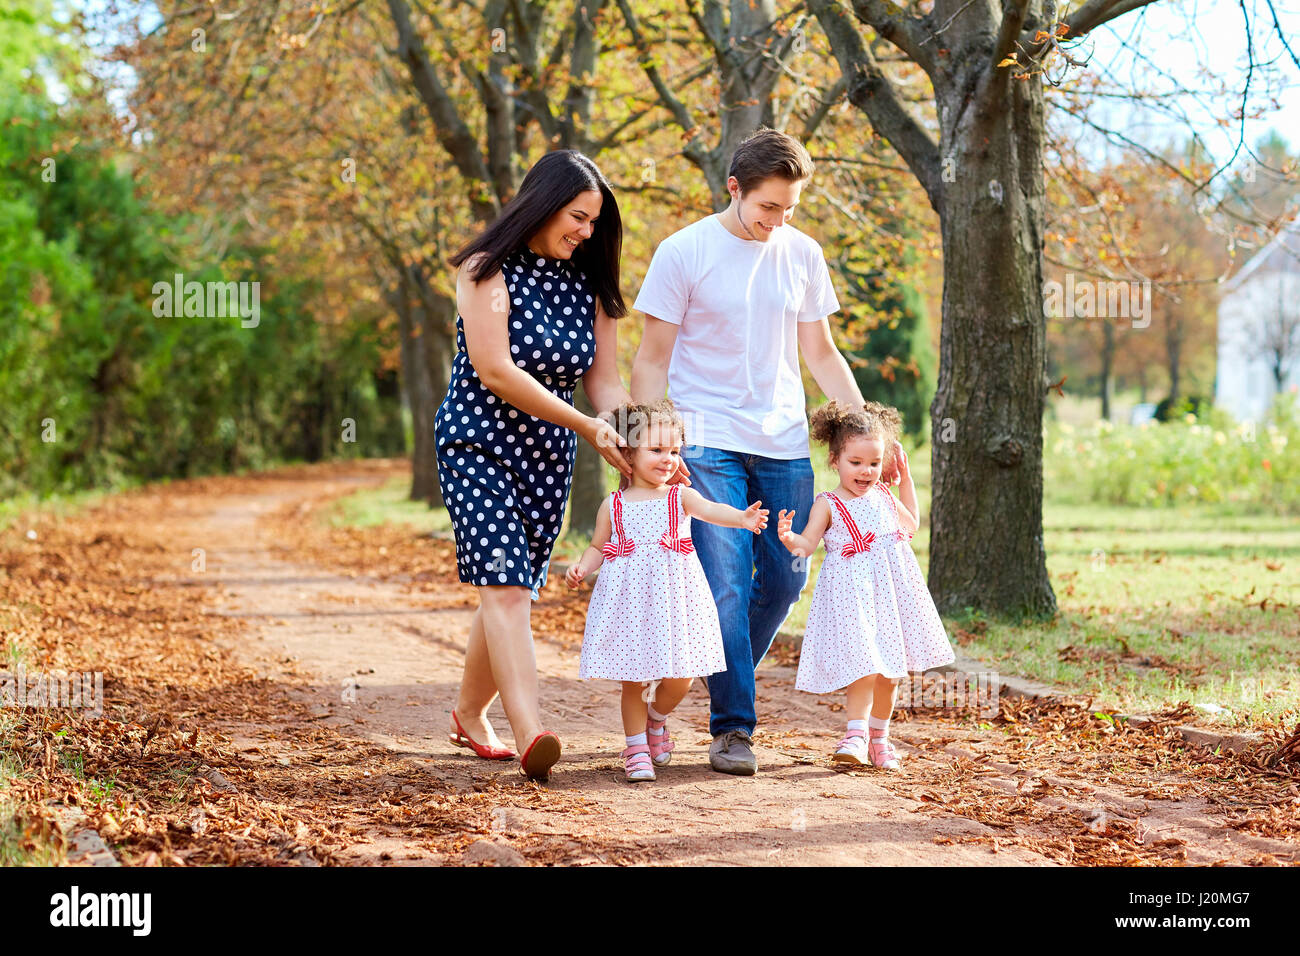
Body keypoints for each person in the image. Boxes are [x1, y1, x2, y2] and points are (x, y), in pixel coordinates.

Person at [630, 127, 878, 775]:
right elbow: (652, 358)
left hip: (782, 441)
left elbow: (820, 351)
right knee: (729, 585)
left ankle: (719, 670)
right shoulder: (683, 252)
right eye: (768, 207)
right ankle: (733, 727)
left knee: (787, 578)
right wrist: (644, 440)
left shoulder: (802, 254)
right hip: (704, 439)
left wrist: (863, 428)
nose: (777, 221)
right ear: (733, 188)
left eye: (790, 209)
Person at [436, 150, 633, 781]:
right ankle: (531, 732)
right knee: (508, 586)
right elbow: (495, 370)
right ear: (544, 204)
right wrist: (586, 426)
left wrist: (639, 440)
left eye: (594, 223)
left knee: (511, 583)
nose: (585, 232)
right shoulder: (484, 271)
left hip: (546, 455)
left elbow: (605, 382)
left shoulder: (589, 286)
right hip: (478, 441)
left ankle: (469, 713)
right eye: (578, 217)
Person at [566, 400, 768, 782]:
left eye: (674, 451)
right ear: (627, 452)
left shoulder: (679, 498)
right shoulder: (614, 505)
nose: (668, 459)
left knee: (683, 677)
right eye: (656, 450)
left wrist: (742, 518)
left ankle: (655, 720)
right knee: (635, 681)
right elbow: (597, 546)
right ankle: (636, 750)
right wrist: (582, 567)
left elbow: (710, 510)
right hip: (631, 605)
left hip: (676, 602)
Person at [777, 400, 955, 769]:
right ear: (835, 461)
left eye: (874, 463)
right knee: (864, 665)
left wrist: (904, 479)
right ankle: (854, 735)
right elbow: (808, 544)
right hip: (852, 596)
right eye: (855, 462)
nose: (865, 471)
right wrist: (790, 538)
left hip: (891, 594)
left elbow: (911, 525)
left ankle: (880, 738)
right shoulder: (828, 503)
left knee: (891, 673)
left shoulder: (885, 497)